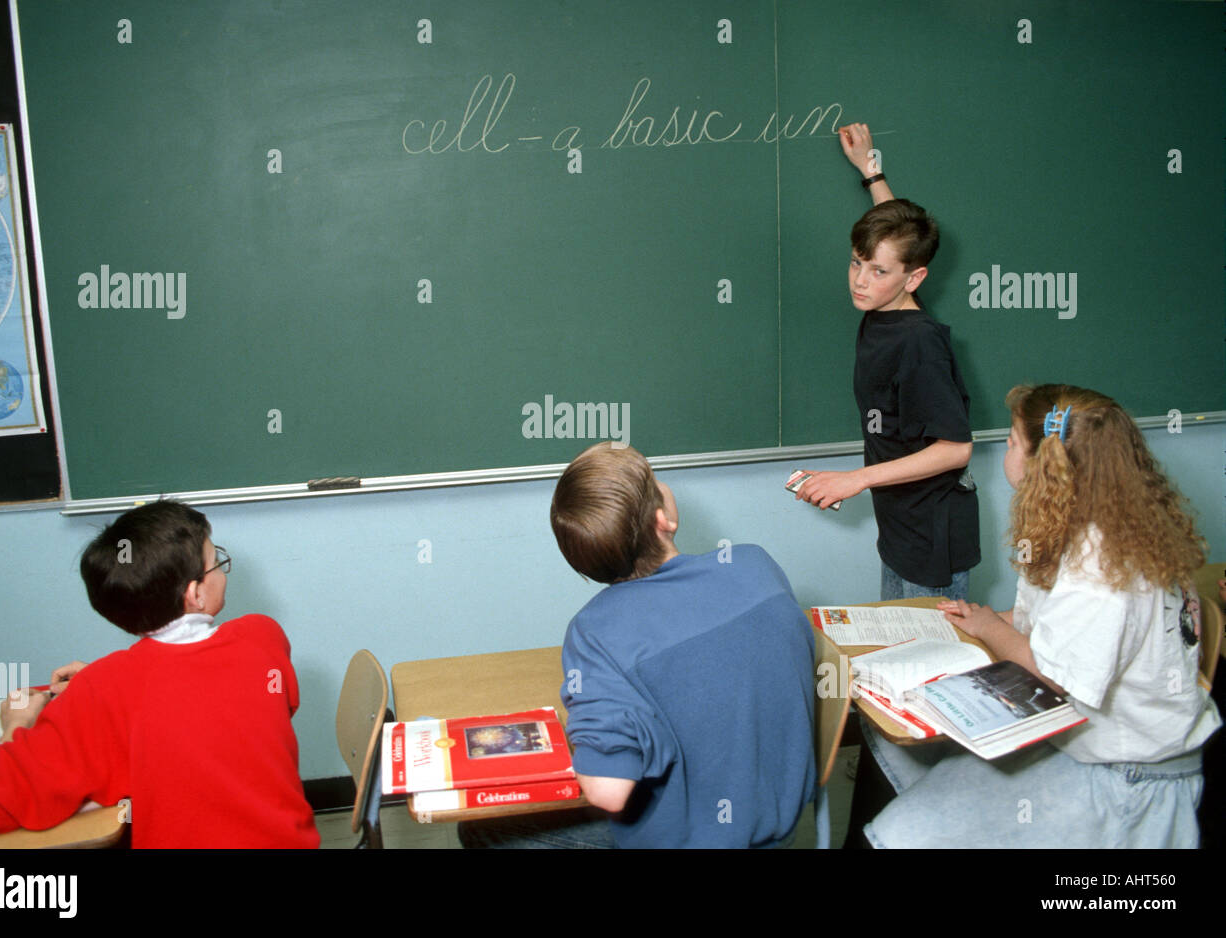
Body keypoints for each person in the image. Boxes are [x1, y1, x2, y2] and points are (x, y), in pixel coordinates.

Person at [862, 384, 1220, 847]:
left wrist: (990, 625)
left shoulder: (1100, 560)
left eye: (1011, 443)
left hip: (1128, 777)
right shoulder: (1117, 523)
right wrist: (997, 620)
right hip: (1094, 742)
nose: (1005, 451)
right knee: (896, 742)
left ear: (1042, 462)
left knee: (901, 832)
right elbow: (1066, 623)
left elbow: (1051, 678)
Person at [460, 442, 817, 848]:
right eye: (655, 480)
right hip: (780, 831)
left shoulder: (595, 632)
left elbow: (608, 790)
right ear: (663, 520)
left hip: (688, 839)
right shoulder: (755, 565)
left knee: (479, 830)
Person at [0, 500, 320, 848]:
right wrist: (112, 691)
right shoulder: (263, 637)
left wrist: (17, 723)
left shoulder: (104, 692)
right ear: (195, 594)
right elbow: (241, 711)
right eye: (217, 562)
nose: (223, 569)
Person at [796, 122, 979, 601]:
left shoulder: (919, 345)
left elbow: (956, 449)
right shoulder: (885, 302)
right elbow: (895, 237)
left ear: (913, 279)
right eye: (856, 262)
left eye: (877, 272)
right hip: (900, 524)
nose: (860, 280)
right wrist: (870, 171)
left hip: (930, 535)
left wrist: (854, 479)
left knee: (929, 666)